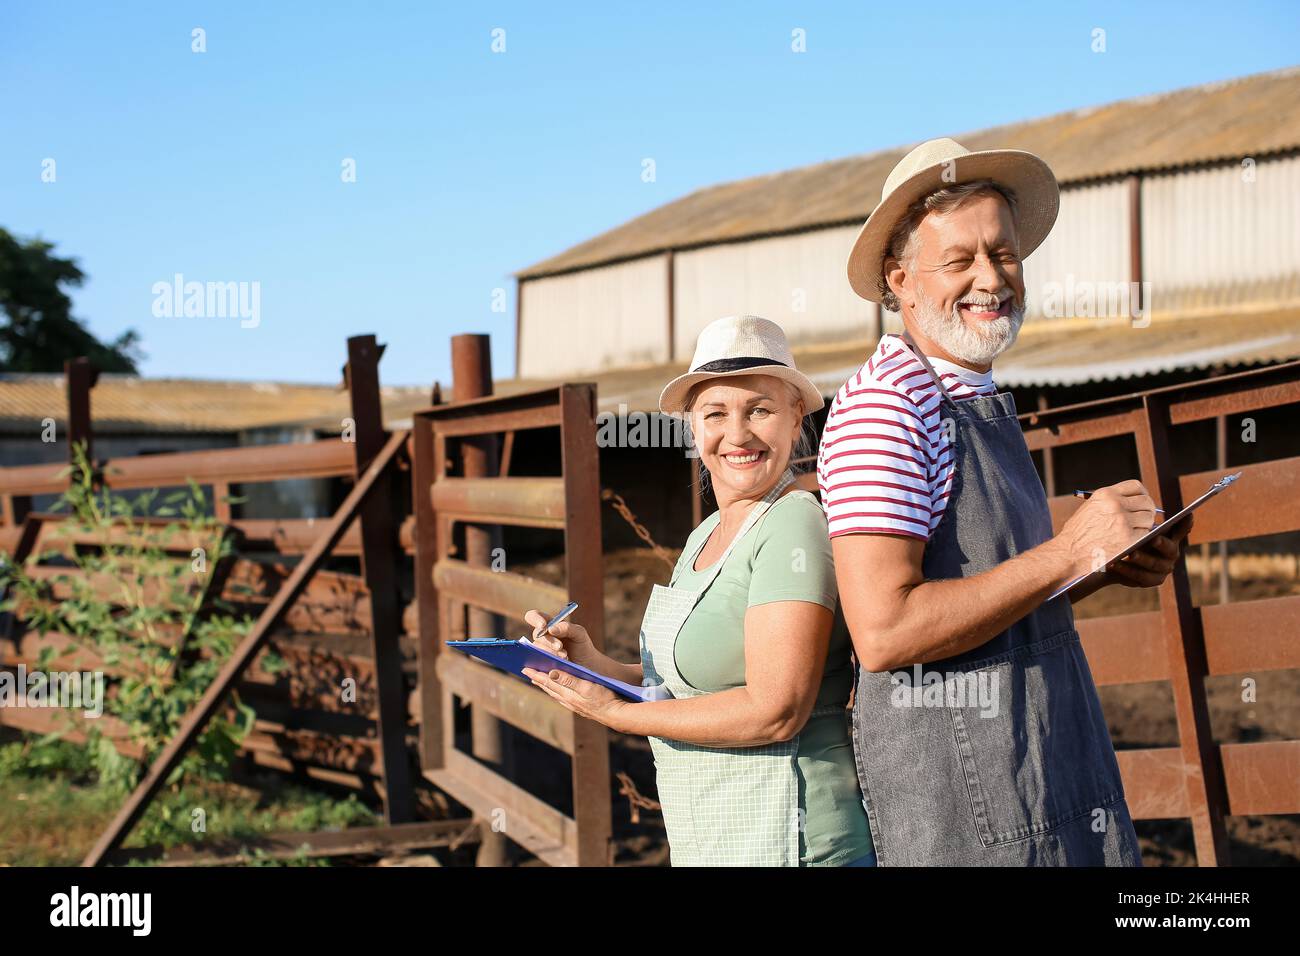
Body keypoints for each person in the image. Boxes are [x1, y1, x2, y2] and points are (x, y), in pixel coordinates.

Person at [824, 137, 1192, 866]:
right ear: (900, 280)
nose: (991, 279)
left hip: (1037, 764)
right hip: (965, 804)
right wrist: (1064, 550)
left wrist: (1095, 567)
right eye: (959, 261)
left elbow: (982, 596)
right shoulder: (889, 407)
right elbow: (888, 630)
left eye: (1006, 254)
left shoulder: (972, 391)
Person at [522, 314, 874, 866]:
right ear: (693, 427)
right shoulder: (707, 534)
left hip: (793, 835)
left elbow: (775, 710)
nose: (738, 435)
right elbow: (692, 682)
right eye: (715, 414)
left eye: (759, 410)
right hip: (725, 829)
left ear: (795, 416)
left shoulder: (793, 525)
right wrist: (597, 666)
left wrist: (615, 716)